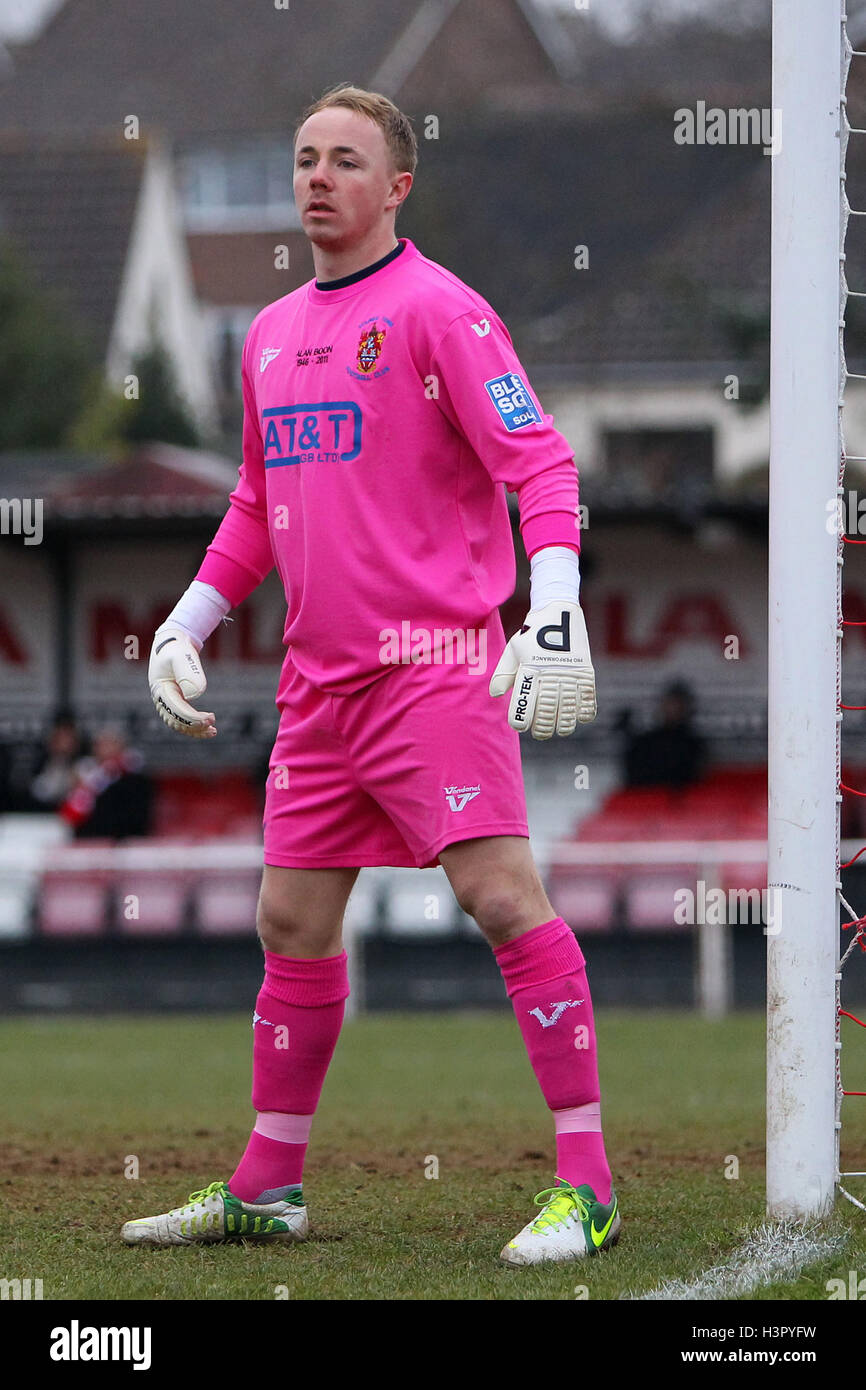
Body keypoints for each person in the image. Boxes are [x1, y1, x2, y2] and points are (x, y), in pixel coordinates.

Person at [126, 84, 617, 1266]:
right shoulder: (265, 332)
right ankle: (268, 1186)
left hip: (435, 669)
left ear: (396, 185)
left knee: (500, 897)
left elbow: (540, 464)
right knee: (289, 920)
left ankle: (587, 1183)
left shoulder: (441, 311)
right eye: (302, 157)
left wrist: (551, 604)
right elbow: (254, 500)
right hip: (318, 685)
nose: (315, 177)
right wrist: (187, 620)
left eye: (344, 160)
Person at [620, 680, 705, 790]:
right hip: (646, 797)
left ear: (686, 708)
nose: (672, 709)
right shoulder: (646, 740)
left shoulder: (693, 744)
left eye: (677, 705)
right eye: (669, 704)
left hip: (676, 801)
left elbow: (688, 775)